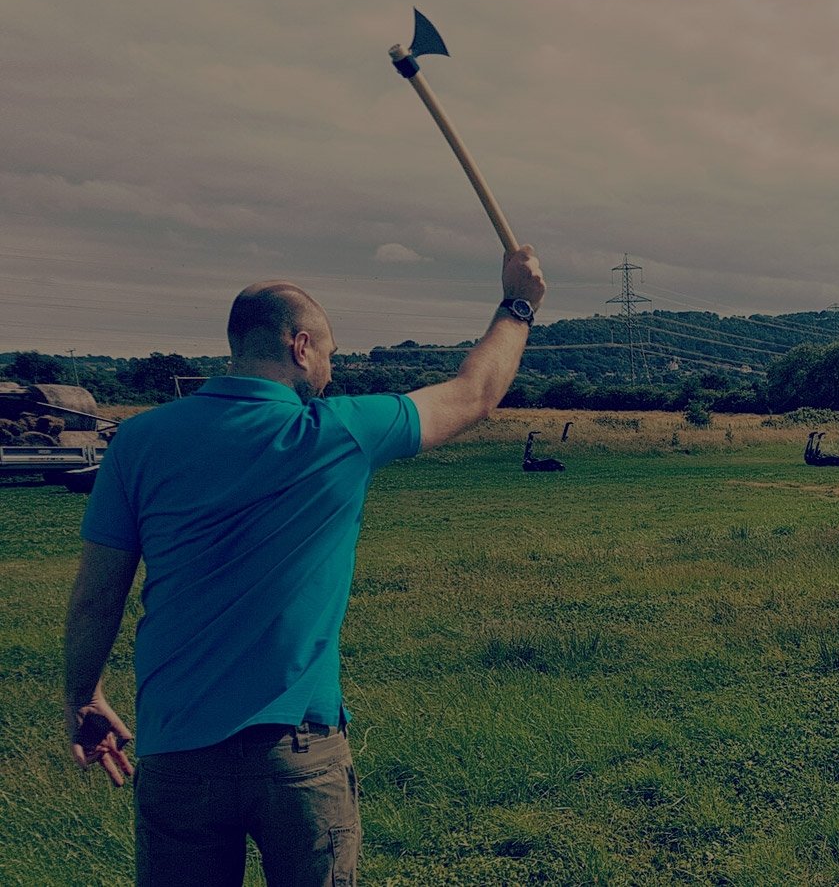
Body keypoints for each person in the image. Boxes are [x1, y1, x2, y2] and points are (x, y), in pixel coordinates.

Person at [63, 246, 548, 886]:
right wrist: (518, 304)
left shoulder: (139, 441)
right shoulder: (338, 431)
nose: (330, 368)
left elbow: (99, 598)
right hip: (298, 749)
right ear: (300, 346)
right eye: (327, 352)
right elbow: (475, 392)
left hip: (176, 750)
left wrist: (84, 695)